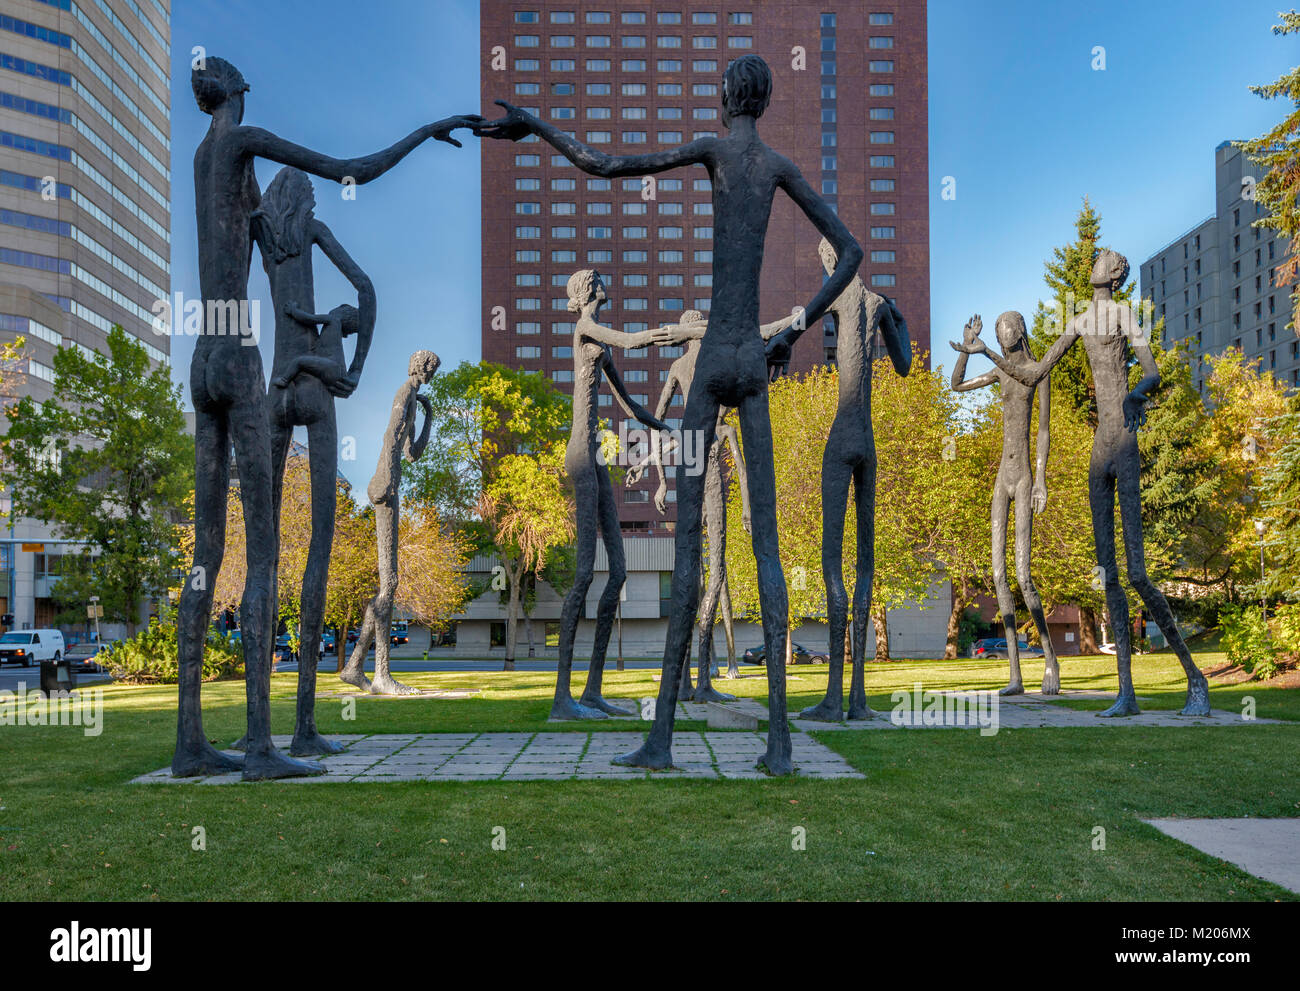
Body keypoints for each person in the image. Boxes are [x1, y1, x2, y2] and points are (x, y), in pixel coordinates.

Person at [480, 55, 863, 773]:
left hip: (713, 359)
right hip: (752, 354)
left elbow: (606, 165)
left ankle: (661, 736)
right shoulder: (777, 164)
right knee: (769, 547)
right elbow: (851, 251)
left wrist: (535, 127)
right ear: (768, 99)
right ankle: (779, 742)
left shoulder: (714, 150)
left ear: (726, 96)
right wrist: (793, 329)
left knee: (687, 548)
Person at [175, 55, 478, 779]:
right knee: (265, 554)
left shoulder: (202, 160)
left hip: (201, 356)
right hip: (242, 360)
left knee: (205, 553)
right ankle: (259, 747)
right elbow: (350, 167)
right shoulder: (242, 144)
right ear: (238, 96)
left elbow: (251, 230)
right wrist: (426, 129)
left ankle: (190, 742)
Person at [952, 250, 1210, 716]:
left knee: (1137, 573)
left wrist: (1136, 395)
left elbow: (1152, 372)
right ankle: (1125, 694)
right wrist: (984, 352)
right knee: (1109, 575)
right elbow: (1032, 372)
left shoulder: (1123, 315)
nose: (1095, 262)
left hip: (1125, 441)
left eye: (1103, 259)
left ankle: (1195, 678)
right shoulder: (1078, 321)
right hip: (1099, 452)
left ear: (1112, 273)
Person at [548, 270, 672, 720]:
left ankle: (591, 691)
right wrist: (667, 334)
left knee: (617, 571)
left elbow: (629, 403)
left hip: (597, 455)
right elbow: (630, 341)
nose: (606, 283)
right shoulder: (586, 327)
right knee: (584, 574)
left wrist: (662, 427)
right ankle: (562, 698)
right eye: (599, 279)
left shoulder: (597, 344)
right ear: (587, 292)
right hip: (581, 454)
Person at [798, 239, 911, 722]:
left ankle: (832, 697)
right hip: (870, 444)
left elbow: (799, 322)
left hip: (842, 438)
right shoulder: (879, 304)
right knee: (866, 563)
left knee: (832, 563)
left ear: (833, 261)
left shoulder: (836, 292)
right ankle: (859, 698)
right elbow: (904, 365)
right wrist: (899, 320)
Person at [949, 312, 1059, 697]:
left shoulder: (1037, 371)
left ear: (1021, 331)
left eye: (1006, 328)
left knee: (1023, 575)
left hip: (1025, 475)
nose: (1002, 333)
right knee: (997, 575)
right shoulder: (1002, 372)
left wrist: (1041, 480)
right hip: (1002, 477)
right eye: (996, 331)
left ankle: (1049, 659)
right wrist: (966, 349)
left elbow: (1044, 429)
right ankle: (1015, 675)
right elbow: (957, 385)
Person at [341, 351, 440, 695]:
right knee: (390, 582)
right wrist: (387, 478)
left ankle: (355, 666)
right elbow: (390, 437)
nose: (431, 373)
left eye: (434, 369)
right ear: (415, 365)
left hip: (390, 484)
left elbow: (413, 453)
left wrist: (428, 417)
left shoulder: (414, 399)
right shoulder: (403, 392)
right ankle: (379, 674)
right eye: (428, 367)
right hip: (384, 486)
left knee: (389, 584)